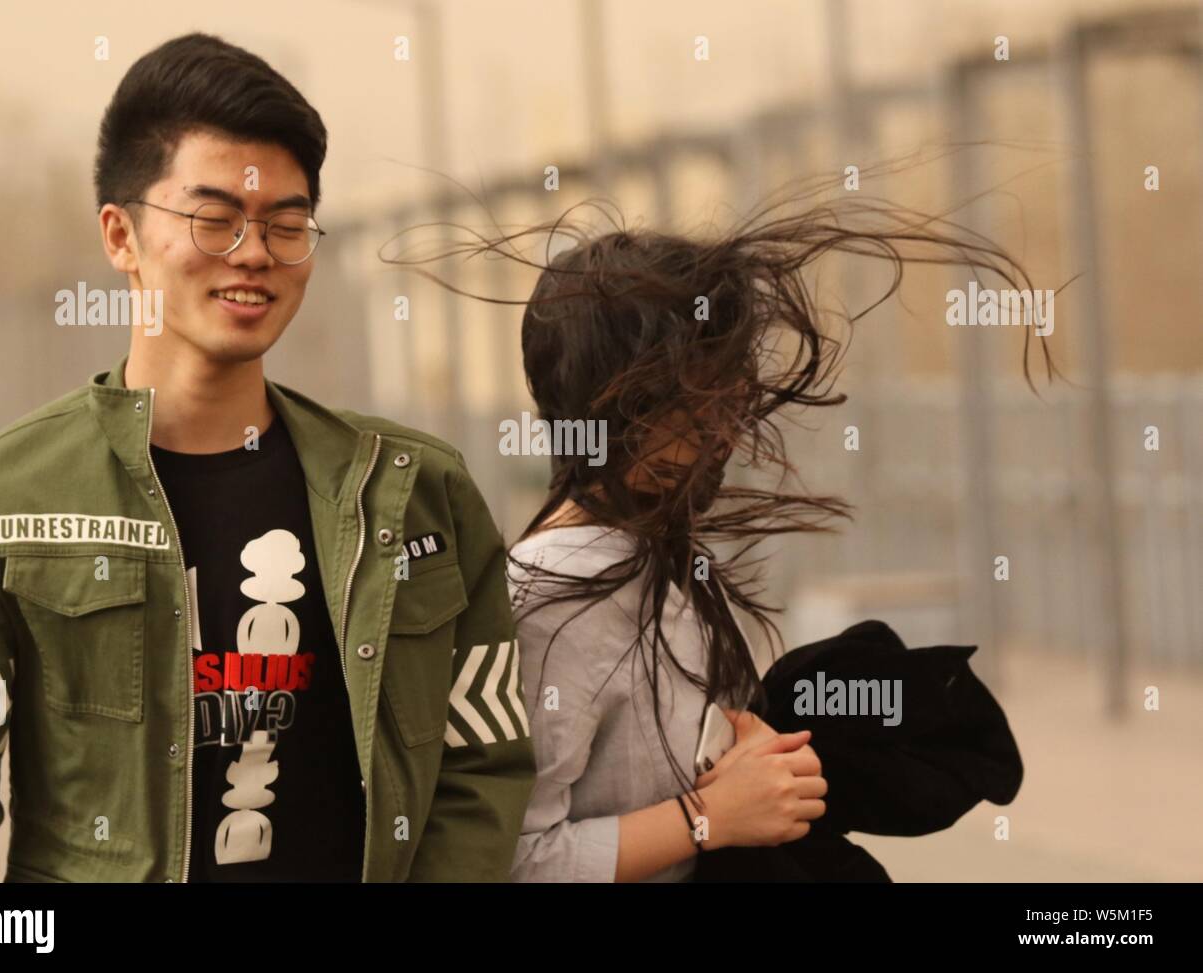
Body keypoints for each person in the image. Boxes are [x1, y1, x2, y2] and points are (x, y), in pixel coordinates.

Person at [0, 32, 534, 883]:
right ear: (121, 237)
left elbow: (481, 764)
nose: (254, 254)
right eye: (215, 219)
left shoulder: (417, 492)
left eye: (286, 222)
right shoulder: (2, 497)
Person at [390, 186, 1055, 882]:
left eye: (732, 401)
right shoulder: (552, 602)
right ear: (629, 411)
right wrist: (707, 817)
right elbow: (516, 860)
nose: (728, 433)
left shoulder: (645, 556)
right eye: (701, 409)